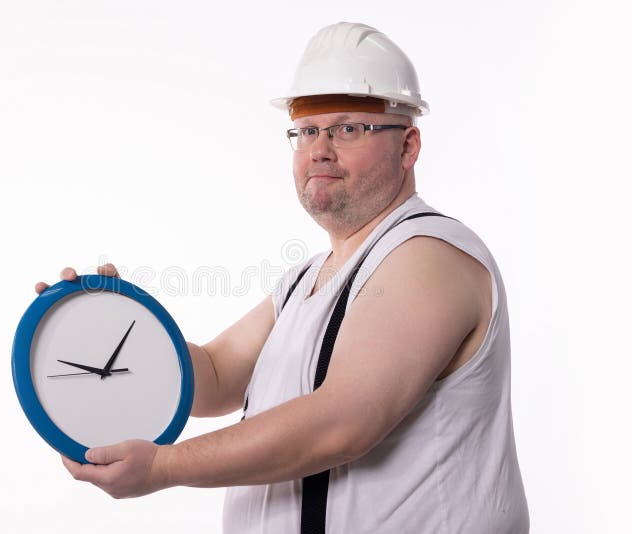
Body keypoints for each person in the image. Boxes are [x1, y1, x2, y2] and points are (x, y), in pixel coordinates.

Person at [35, 22, 529, 534]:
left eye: (348, 129)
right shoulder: (306, 280)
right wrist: (105, 320)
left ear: (407, 147)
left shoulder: (430, 257)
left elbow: (344, 421)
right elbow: (214, 375)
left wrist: (164, 467)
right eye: (308, 131)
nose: (320, 149)